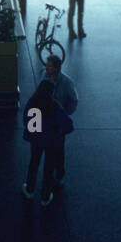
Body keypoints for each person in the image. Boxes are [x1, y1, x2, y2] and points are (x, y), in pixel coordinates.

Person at [21, 78, 73, 205]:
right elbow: (68, 125)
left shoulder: (32, 103)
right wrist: (58, 132)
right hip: (51, 142)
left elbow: (26, 121)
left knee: (34, 163)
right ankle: (45, 197)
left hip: (36, 141)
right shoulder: (54, 106)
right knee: (48, 168)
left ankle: (29, 190)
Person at [43, 54, 78, 182]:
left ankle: (58, 173)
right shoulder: (45, 77)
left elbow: (74, 101)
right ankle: (53, 174)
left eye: (49, 66)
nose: (46, 68)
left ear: (56, 68)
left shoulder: (67, 82)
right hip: (48, 120)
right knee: (51, 148)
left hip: (57, 121)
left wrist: (65, 114)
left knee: (59, 149)